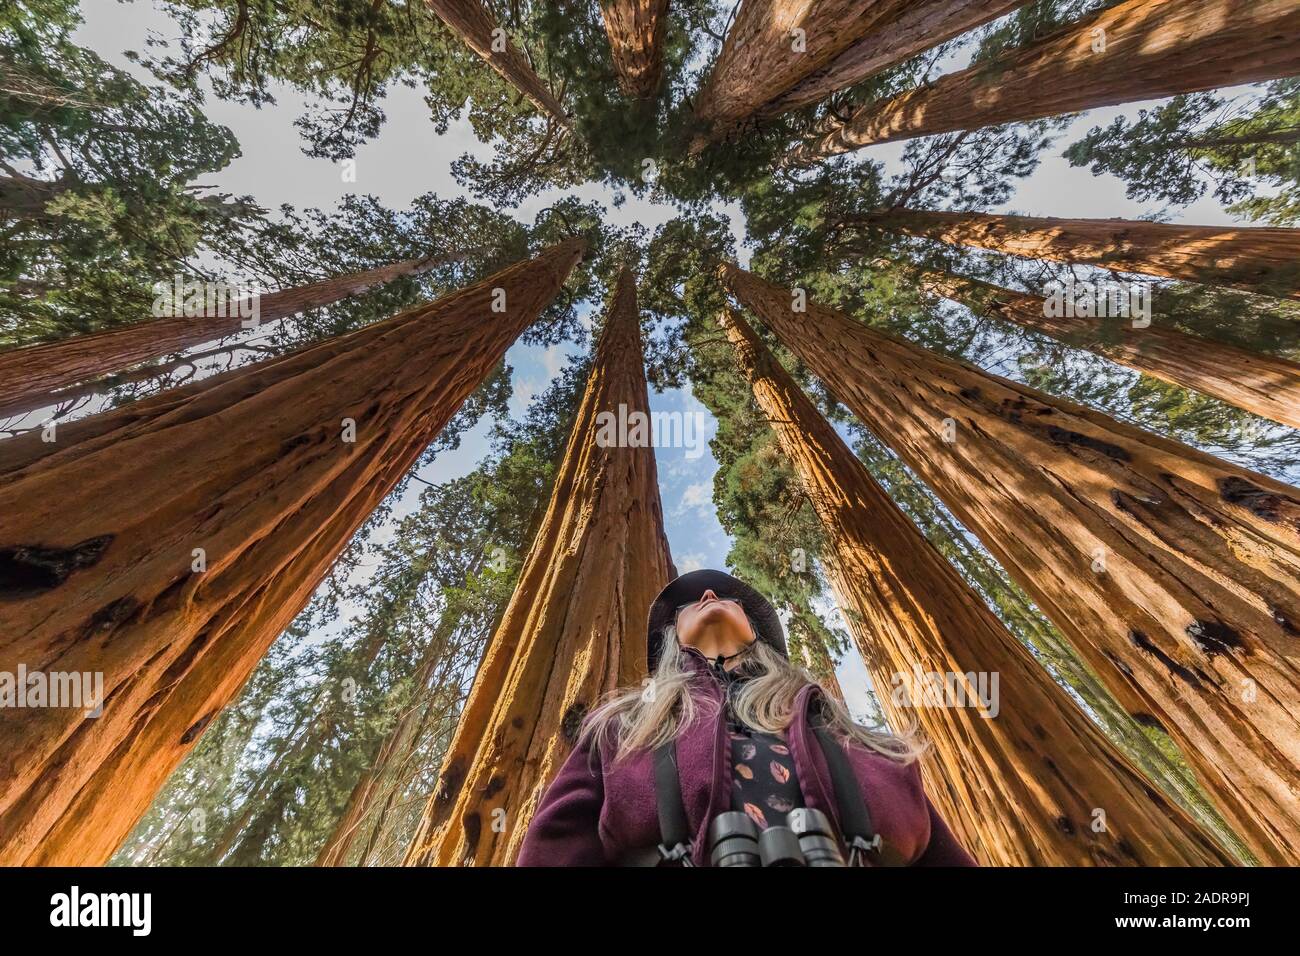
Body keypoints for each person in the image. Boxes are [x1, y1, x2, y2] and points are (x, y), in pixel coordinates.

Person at [517, 569, 977, 867]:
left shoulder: (854, 738)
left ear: (757, 632)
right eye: (689, 602)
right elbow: (553, 847)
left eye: (725, 596)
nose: (712, 593)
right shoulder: (621, 728)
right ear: (671, 638)